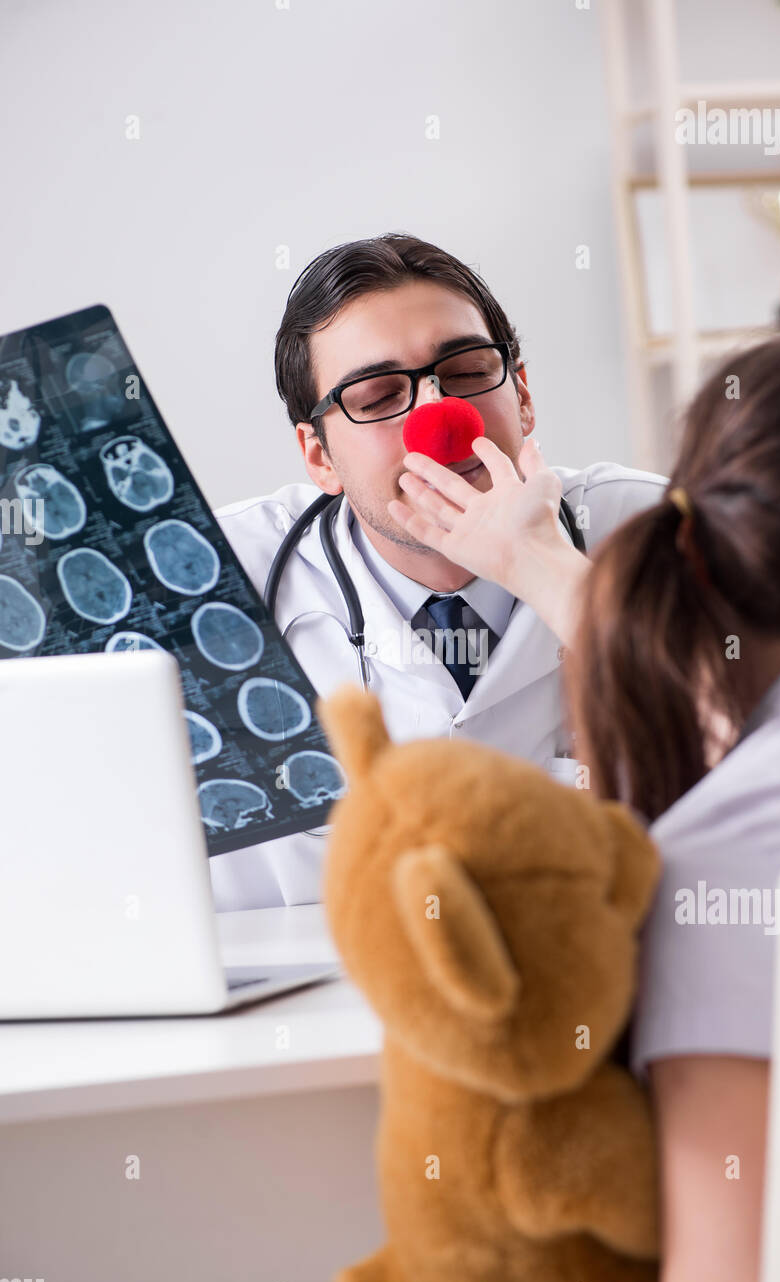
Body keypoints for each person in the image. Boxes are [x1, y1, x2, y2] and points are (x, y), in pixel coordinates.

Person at [388, 332, 780, 1282]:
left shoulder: (714, 869)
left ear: (683, 545)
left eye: (466, 369)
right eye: (380, 392)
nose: (432, 407)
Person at [212, 233, 666, 910]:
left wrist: (541, 567)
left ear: (522, 395)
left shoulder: (654, 529)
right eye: (375, 396)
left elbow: (779, 759)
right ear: (319, 458)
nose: (438, 421)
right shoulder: (215, 579)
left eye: (465, 372)